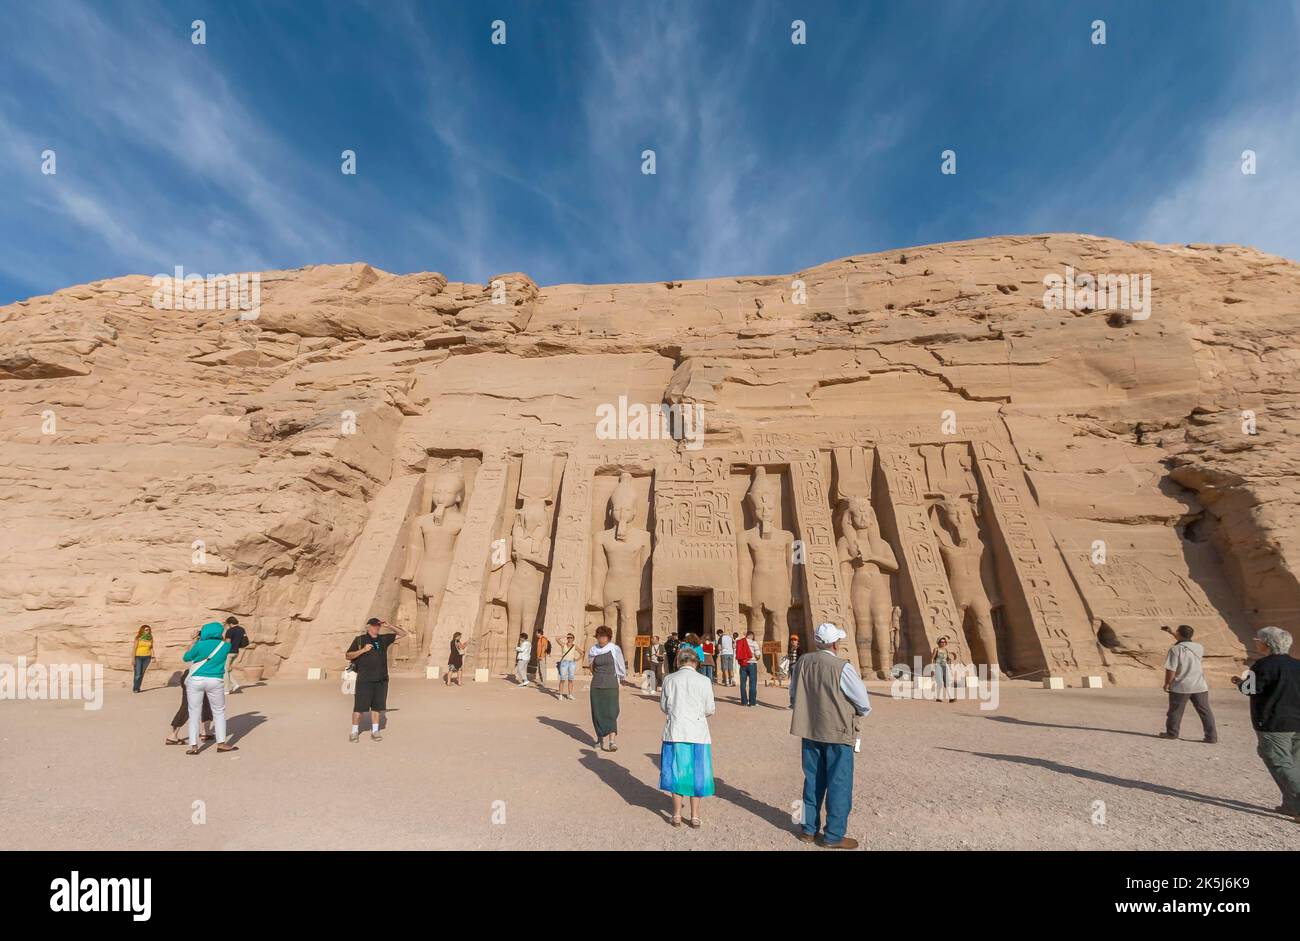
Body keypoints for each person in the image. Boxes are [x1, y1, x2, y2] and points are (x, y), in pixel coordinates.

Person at [789, 622, 871, 849]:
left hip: (810, 729)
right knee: (839, 783)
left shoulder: (802, 662)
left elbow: (794, 694)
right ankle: (834, 836)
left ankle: (808, 830)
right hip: (837, 731)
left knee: (813, 780)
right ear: (835, 643)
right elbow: (863, 703)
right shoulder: (842, 667)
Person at [1232, 626, 1300, 821]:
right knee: (1293, 764)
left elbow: (1249, 689)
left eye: (1258, 640)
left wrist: (1239, 682)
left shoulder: (1261, 665)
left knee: (1279, 762)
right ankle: (1290, 804)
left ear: (1266, 644)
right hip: (1296, 722)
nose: (1256, 643)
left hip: (1274, 722)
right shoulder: (1298, 665)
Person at [659, 645, 716, 828]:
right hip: (698, 733)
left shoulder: (669, 679)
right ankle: (695, 816)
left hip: (675, 731)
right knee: (697, 774)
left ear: (679, 661)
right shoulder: (704, 681)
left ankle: (676, 815)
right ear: (696, 662)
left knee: (677, 772)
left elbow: (664, 706)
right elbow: (710, 709)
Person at [344, 617, 407, 742]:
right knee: (359, 707)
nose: (376, 627)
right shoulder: (360, 640)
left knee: (377, 707)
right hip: (365, 680)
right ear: (368, 626)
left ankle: (375, 731)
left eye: (378, 625)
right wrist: (363, 650)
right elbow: (348, 655)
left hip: (381, 679)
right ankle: (354, 732)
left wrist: (389, 626)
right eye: (373, 625)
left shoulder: (383, 639)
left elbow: (403, 634)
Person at [181, 622, 237, 755]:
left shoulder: (200, 645)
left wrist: (194, 640)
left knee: (194, 711)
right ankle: (221, 743)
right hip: (215, 680)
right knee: (219, 711)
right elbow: (224, 642)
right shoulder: (225, 646)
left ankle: (194, 746)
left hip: (196, 680)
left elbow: (186, 657)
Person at [1158, 624, 1217, 743]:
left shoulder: (1175, 649)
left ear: (1179, 633)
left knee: (1175, 711)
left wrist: (1167, 683)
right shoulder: (1199, 647)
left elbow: (1171, 669)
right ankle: (1211, 737)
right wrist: (1171, 632)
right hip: (1199, 685)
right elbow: (1185, 642)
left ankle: (1172, 733)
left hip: (1181, 686)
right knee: (1205, 712)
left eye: (1177, 632)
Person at [588, 625, 627, 751]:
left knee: (611, 711)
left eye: (604, 637)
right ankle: (599, 739)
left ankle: (612, 741)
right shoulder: (593, 650)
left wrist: (620, 679)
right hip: (597, 683)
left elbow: (620, 665)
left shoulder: (614, 649)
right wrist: (599, 676)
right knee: (597, 712)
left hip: (611, 683)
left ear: (608, 638)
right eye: (599, 637)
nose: (601, 639)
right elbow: (591, 666)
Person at [165, 667, 213, 745]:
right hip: (201, 675)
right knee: (193, 705)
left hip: (189, 674)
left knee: (203, 703)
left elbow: (187, 658)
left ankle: (206, 731)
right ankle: (173, 736)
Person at [223, 616, 249, 695]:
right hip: (236, 652)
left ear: (230, 623)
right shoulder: (242, 629)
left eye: (228, 624)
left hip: (229, 652)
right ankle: (235, 684)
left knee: (224, 670)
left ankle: (226, 689)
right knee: (227, 669)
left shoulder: (230, 631)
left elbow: (227, 643)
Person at [736, 630, 760, 706]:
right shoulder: (754, 643)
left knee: (743, 684)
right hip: (752, 664)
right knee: (752, 684)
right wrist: (756, 657)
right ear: (752, 636)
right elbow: (758, 655)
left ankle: (744, 702)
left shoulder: (740, 642)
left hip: (743, 664)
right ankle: (752, 702)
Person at [556, 632, 580, 700]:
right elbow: (557, 639)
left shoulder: (575, 646)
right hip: (564, 663)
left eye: (571, 637)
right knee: (562, 679)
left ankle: (570, 694)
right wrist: (565, 635)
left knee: (570, 679)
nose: (569, 639)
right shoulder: (563, 645)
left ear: (573, 639)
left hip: (572, 663)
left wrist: (576, 659)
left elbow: (581, 653)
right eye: (568, 637)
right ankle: (560, 694)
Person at [132, 624, 155, 693]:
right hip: (138, 657)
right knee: (137, 674)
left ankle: (138, 687)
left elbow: (151, 648)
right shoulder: (138, 638)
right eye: (146, 630)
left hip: (147, 657)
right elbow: (134, 649)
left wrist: (153, 656)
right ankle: (135, 688)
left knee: (142, 673)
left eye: (149, 630)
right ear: (142, 630)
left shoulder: (150, 638)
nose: (148, 631)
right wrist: (133, 659)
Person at [932, 636, 955, 703]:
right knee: (940, 682)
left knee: (947, 682)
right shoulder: (936, 649)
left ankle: (951, 698)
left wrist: (950, 668)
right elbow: (932, 659)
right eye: (941, 642)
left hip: (945, 666)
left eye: (944, 642)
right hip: (938, 666)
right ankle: (939, 698)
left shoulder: (946, 650)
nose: (943, 643)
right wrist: (932, 669)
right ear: (938, 642)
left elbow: (948, 659)